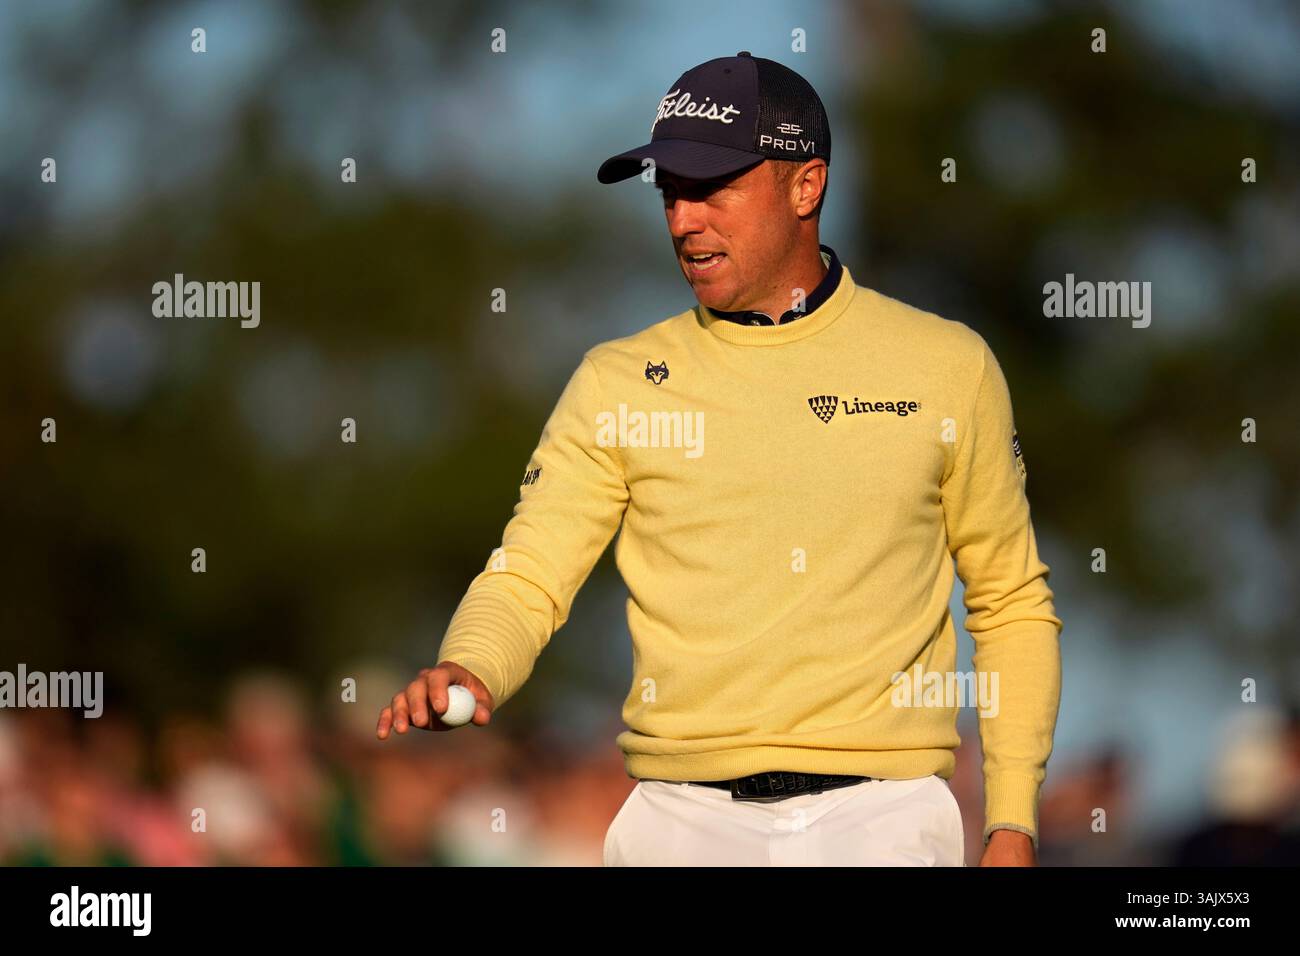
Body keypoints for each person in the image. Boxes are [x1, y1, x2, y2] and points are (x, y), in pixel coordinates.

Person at [376, 52, 1062, 867]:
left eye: (711, 189)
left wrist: (1011, 821)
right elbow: (530, 573)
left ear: (806, 187)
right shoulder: (616, 380)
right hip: (677, 820)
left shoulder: (947, 366)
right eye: (670, 192)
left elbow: (1009, 600)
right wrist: (472, 663)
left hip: (884, 817)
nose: (683, 221)